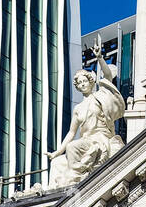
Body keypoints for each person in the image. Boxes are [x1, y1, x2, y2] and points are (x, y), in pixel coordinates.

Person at [47, 38, 126, 187]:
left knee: (72, 147)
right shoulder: (78, 109)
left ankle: (73, 179)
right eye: (80, 83)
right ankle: (65, 186)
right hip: (86, 141)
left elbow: (108, 76)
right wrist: (57, 152)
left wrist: (100, 58)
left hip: (100, 138)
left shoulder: (100, 96)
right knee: (57, 163)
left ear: (91, 82)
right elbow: (71, 133)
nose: (83, 84)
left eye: (85, 81)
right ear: (77, 87)